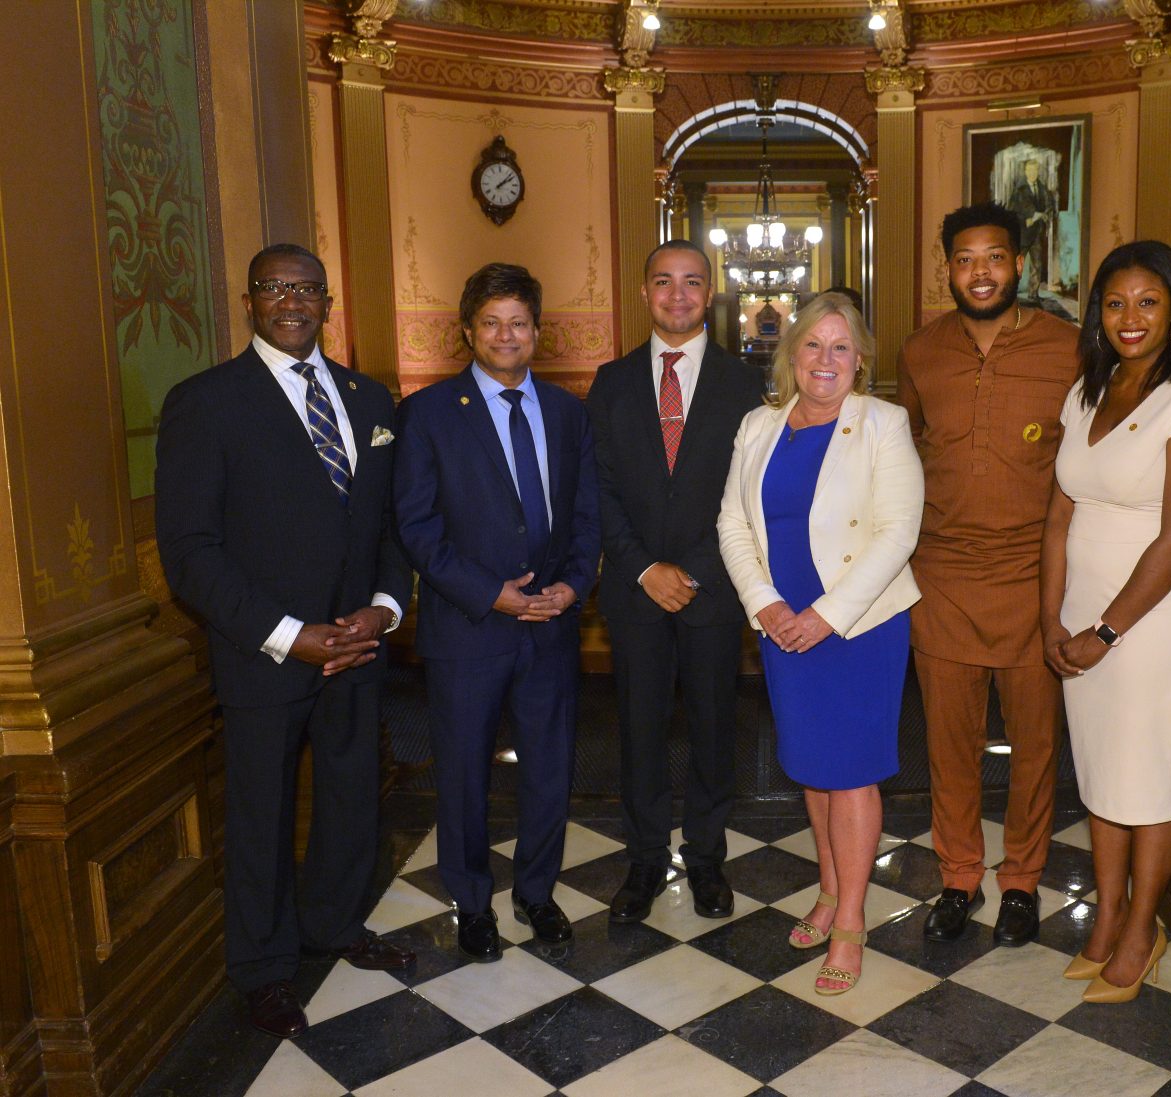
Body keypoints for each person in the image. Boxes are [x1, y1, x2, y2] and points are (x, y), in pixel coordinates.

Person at [155, 243, 416, 1038]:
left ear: (328, 303)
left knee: (349, 796)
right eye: (275, 288)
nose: (291, 302)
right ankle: (263, 969)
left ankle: (333, 923)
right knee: (262, 816)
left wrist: (382, 607)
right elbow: (191, 550)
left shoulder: (372, 401)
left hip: (357, 645)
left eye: (307, 290)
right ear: (250, 301)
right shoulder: (205, 402)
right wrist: (287, 634)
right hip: (264, 652)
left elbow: (389, 526)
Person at [393, 263, 600, 957]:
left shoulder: (571, 412)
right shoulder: (426, 414)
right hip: (468, 627)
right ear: (467, 332)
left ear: (538, 331)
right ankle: (473, 903)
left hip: (552, 625)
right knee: (462, 773)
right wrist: (492, 593)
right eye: (491, 322)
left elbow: (585, 514)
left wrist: (572, 585)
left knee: (549, 767)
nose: (506, 335)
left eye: (518, 322)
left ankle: (537, 894)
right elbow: (418, 528)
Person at [718, 293, 922, 994]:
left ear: (861, 358)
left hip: (858, 626)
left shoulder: (883, 424)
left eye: (841, 347)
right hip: (783, 629)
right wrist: (767, 605)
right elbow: (732, 524)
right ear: (790, 353)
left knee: (854, 770)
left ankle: (852, 920)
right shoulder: (759, 425)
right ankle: (831, 887)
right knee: (811, 764)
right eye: (812, 345)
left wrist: (826, 615)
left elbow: (899, 532)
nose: (825, 360)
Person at [1039, 240, 1171, 1003]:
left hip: (1146, 625)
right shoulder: (1087, 390)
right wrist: (1051, 617)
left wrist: (1104, 631)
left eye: (1148, 301)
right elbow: (1057, 519)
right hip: (1078, 618)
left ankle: (1144, 928)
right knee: (1102, 776)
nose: (1130, 317)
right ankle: (1106, 915)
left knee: (1148, 780)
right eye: (1115, 303)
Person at [897, 201, 1078, 947]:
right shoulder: (920, 352)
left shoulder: (1069, 348)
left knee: (1036, 746)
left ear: (1021, 266)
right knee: (950, 743)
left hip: (1036, 580)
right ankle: (959, 876)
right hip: (940, 578)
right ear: (947, 269)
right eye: (965, 259)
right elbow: (908, 452)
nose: (981, 271)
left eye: (995, 257)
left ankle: (1023, 881)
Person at [586, 240, 763, 923]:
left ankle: (709, 856)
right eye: (664, 281)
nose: (678, 294)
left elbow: (746, 494)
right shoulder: (610, 382)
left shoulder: (745, 384)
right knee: (638, 728)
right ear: (643, 291)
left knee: (717, 726)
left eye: (692, 282)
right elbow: (598, 489)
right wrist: (640, 565)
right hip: (634, 593)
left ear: (711, 291)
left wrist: (691, 569)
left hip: (712, 589)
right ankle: (645, 856)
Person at [1012, 158, 1056, 301]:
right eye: (1030, 170)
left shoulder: (1042, 188)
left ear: (1038, 171)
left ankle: (1033, 294)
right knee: (1016, 264)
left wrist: (1044, 214)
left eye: (1035, 170)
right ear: (1025, 172)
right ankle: (1009, 295)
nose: (1032, 173)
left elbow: (1049, 205)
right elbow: (1014, 210)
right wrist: (1030, 216)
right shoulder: (1020, 190)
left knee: (1037, 263)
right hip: (1023, 233)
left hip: (1036, 233)